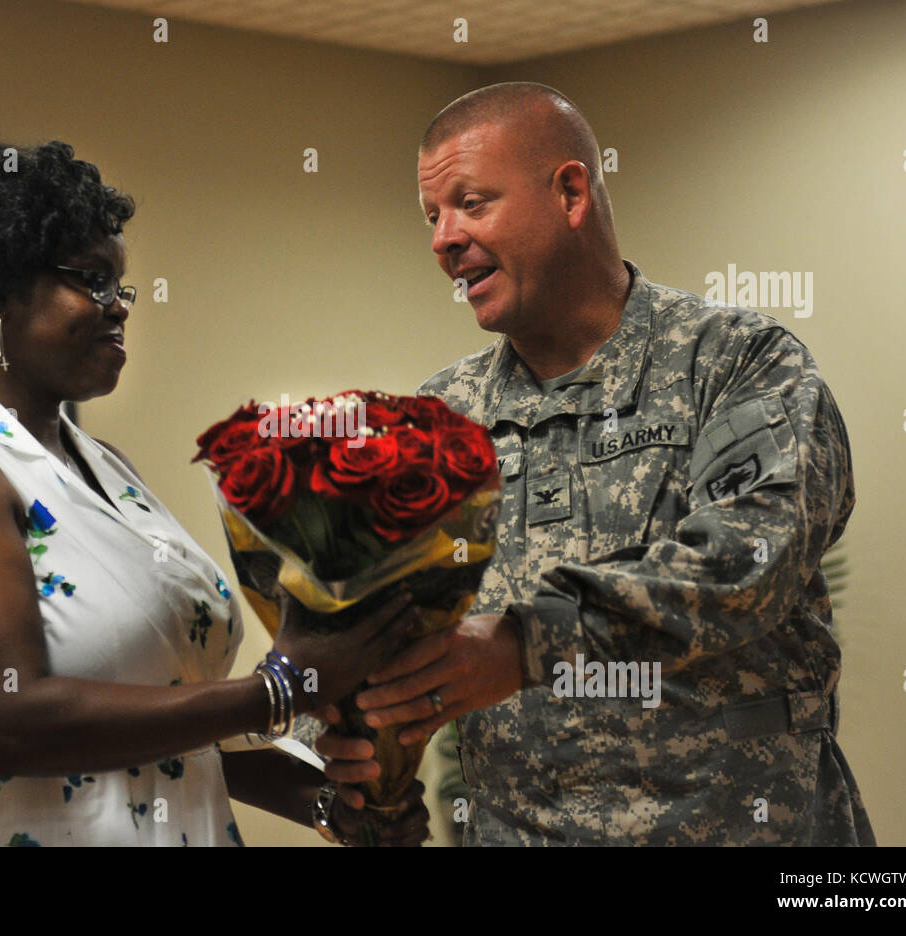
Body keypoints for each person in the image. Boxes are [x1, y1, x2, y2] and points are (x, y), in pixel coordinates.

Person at [317, 82, 874, 846]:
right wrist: (368, 759)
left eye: (471, 203)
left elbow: (747, 567)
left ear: (571, 191)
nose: (443, 238)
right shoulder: (438, 419)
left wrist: (526, 642)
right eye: (433, 216)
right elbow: (394, 633)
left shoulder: (737, 362)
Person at [0, 141, 428, 846]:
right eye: (91, 280)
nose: (119, 308)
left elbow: (183, 725)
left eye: (120, 286)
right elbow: (10, 723)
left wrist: (326, 805)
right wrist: (277, 690)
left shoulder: (104, 466)